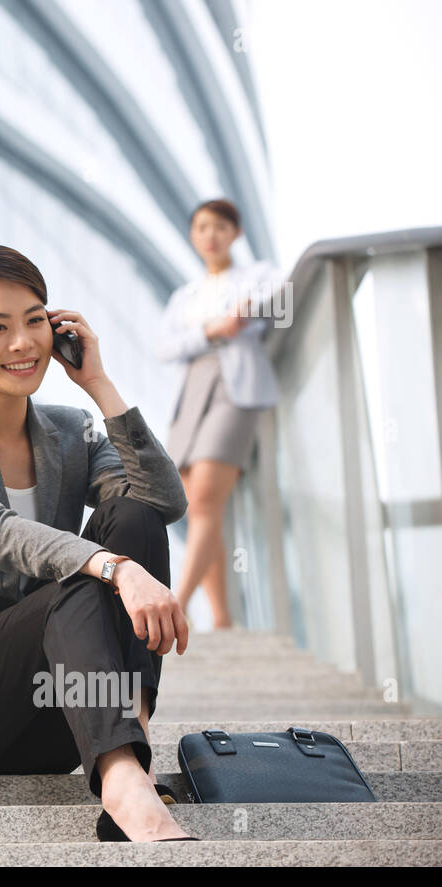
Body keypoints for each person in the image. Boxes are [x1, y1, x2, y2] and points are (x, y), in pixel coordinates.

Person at [0, 245, 198, 842]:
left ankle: (130, 757)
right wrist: (112, 569)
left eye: (35, 320)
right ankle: (130, 795)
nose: (23, 343)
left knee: (135, 517)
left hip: (50, 712)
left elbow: (165, 503)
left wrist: (98, 385)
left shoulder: (71, 433)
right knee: (85, 576)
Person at [155, 198, 282, 631]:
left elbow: (274, 303)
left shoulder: (257, 275)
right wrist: (212, 329)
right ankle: (223, 618)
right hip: (192, 390)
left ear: (235, 233)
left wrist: (240, 315)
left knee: (207, 495)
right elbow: (165, 347)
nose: (211, 235)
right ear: (193, 235)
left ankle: (181, 602)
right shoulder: (185, 295)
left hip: (235, 388)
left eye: (220, 227)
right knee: (197, 506)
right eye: (203, 227)